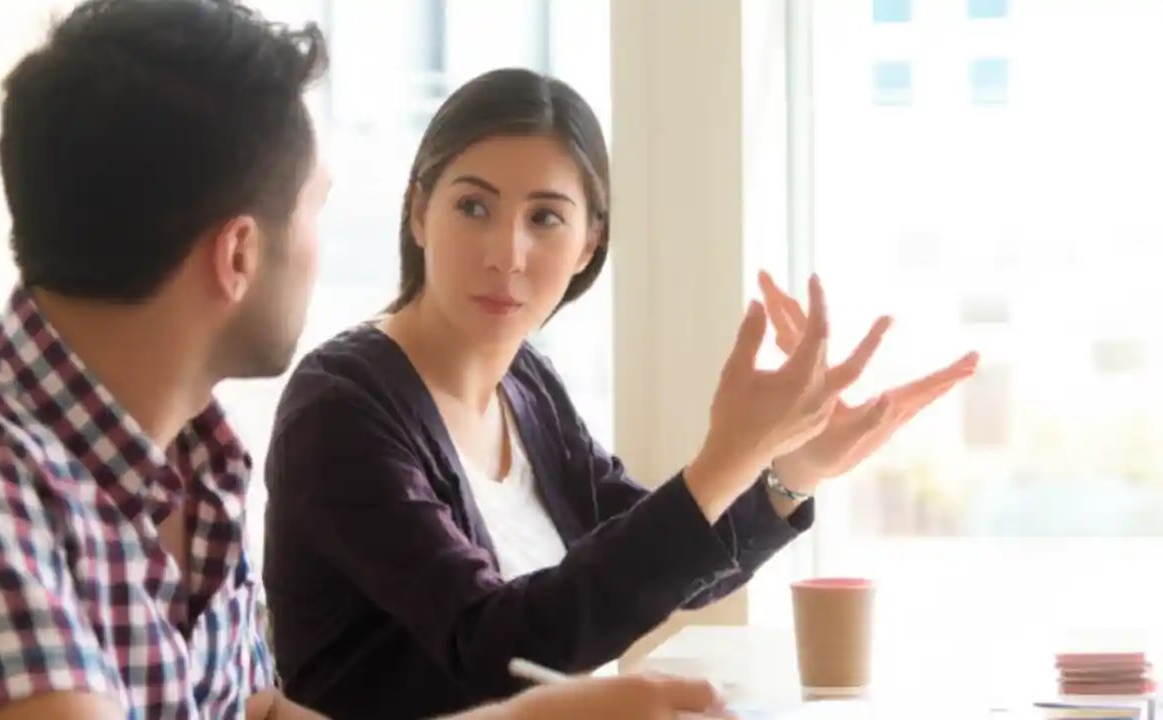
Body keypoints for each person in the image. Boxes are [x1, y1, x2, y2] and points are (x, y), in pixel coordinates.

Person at [0, 2, 734, 718]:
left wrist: (528, 716)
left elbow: (255, 713)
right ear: (240, 255)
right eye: (317, 210)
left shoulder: (195, 461)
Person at [263, 67, 980, 719]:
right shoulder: (342, 408)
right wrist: (729, 455)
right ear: (418, 212)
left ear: (587, 245)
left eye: (545, 218)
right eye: (473, 207)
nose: (505, 254)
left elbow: (662, 565)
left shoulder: (527, 385)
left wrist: (793, 469)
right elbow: (498, 650)